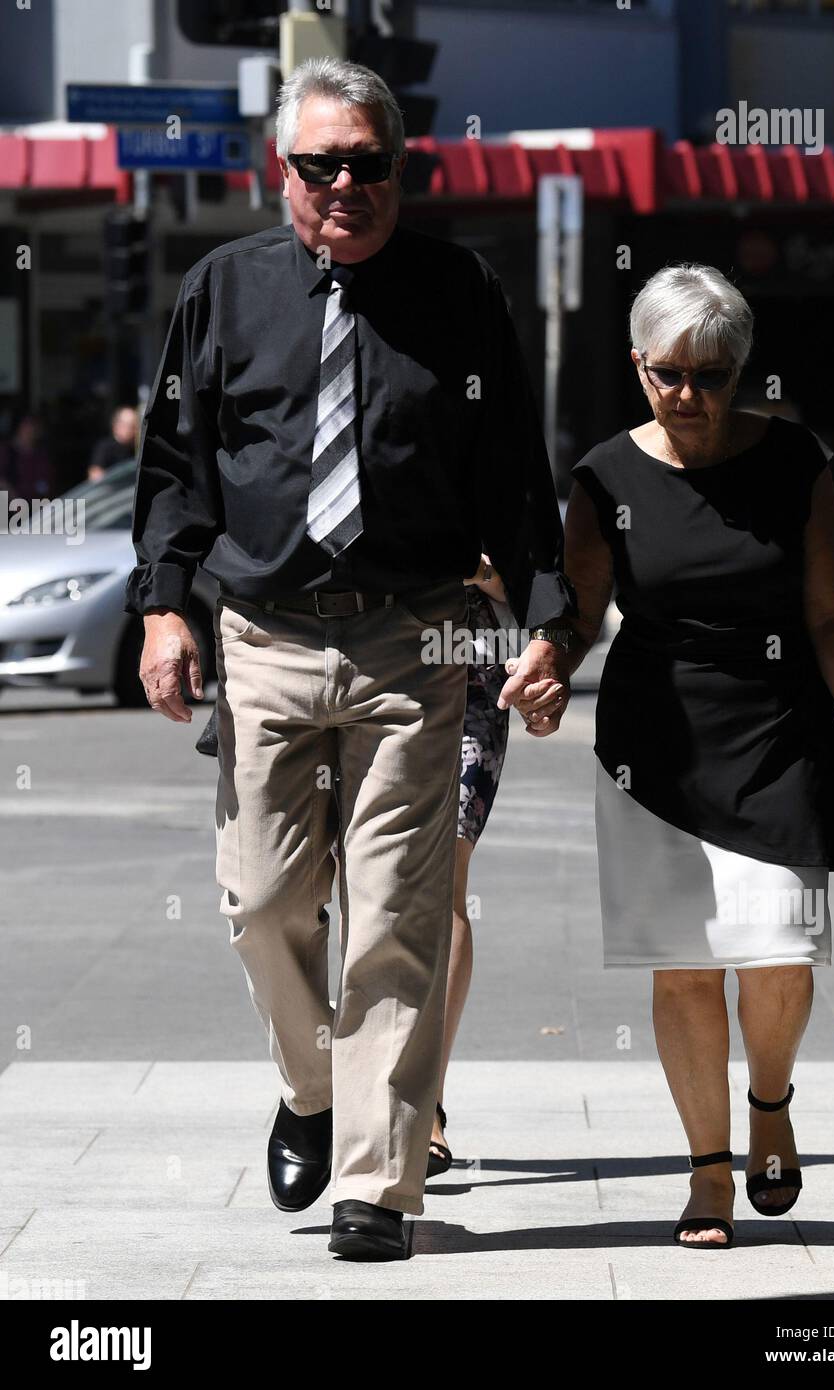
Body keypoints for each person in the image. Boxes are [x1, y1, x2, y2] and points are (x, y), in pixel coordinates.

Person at [125, 55, 575, 1262]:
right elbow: (174, 466)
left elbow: (510, 479)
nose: (343, 184)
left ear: (398, 170)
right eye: (318, 164)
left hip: (413, 639)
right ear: (281, 174)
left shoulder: (459, 294)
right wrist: (165, 611)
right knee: (264, 900)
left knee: (397, 914)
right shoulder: (221, 292)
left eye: (366, 164)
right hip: (264, 636)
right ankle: (312, 1088)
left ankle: (378, 1183)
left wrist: (546, 622)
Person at [562, 263, 834, 1249]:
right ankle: (706, 1170)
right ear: (635, 366)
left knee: (779, 946)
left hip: (778, 731)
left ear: (739, 370)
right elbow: (576, 615)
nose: (687, 395)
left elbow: (827, 611)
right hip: (654, 744)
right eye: (666, 374)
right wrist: (537, 660)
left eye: (710, 374)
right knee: (683, 965)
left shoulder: (794, 463)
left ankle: (768, 1099)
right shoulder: (605, 476)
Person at [427, 551, 521, 1176]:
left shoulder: (497, 453)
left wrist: (484, 572)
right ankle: (349, 1079)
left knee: (442, 884)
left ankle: (422, 1101)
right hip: (364, 658)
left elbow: (544, 571)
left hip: (470, 672)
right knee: (365, 885)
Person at [87, 405, 139, 481]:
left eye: (135, 427)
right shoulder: (104, 447)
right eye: (132, 426)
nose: (135, 431)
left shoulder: (135, 449)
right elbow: (95, 475)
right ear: (117, 425)